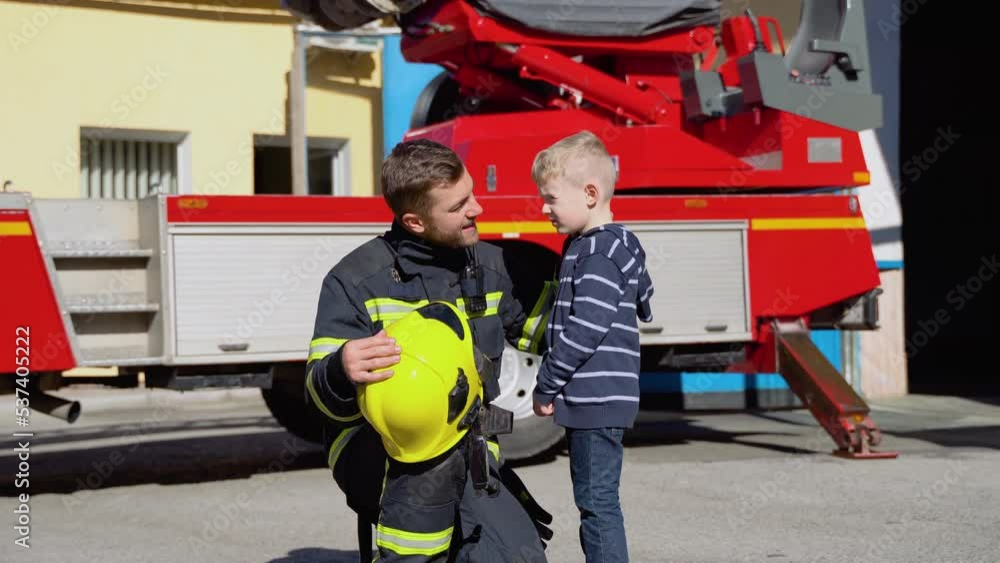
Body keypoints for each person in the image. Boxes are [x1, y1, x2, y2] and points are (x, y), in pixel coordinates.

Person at [304, 138, 555, 563]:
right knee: (431, 501)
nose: (477, 209)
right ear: (415, 222)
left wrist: (591, 267)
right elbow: (317, 396)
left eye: (472, 194)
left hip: (470, 444)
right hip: (379, 450)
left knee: (516, 556)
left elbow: (548, 334)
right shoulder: (355, 281)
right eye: (458, 206)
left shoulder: (491, 267)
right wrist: (340, 370)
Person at [530, 130, 655, 563]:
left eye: (550, 199)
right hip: (604, 397)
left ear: (589, 193)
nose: (543, 209)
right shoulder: (612, 245)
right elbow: (642, 295)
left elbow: (586, 327)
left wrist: (546, 383)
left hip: (596, 398)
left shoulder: (597, 253)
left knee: (596, 504)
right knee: (597, 499)